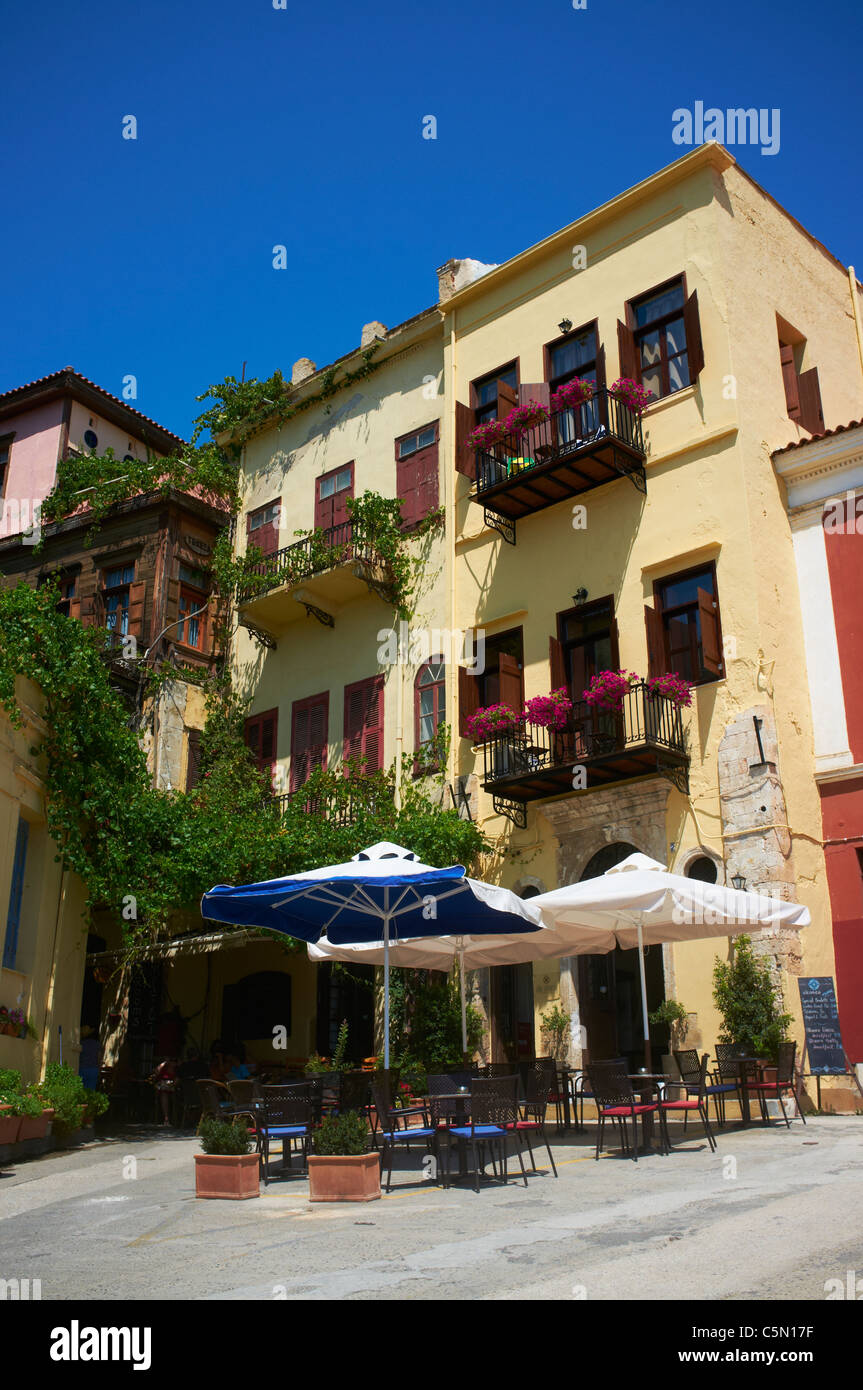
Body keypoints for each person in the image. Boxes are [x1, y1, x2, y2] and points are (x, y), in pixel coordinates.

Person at [149, 1056, 178, 1125]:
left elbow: (177, 1078)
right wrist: (163, 1064)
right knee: (164, 1094)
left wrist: (173, 1084)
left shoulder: (177, 1067)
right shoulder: (162, 1066)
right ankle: (166, 1117)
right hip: (163, 1086)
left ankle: (174, 1118)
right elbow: (155, 1073)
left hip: (175, 1086)